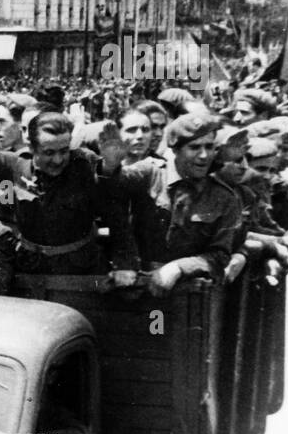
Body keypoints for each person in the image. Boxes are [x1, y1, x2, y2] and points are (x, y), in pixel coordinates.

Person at [0, 96, 126, 275]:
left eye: (64, 151)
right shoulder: (15, 165)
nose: (58, 160)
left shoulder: (83, 164)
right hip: (31, 269)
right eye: (48, 152)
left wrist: (110, 168)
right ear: (31, 148)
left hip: (79, 271)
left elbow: (115, 210)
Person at [100, 113, 243, 296]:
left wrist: (178, 268)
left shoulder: (223, 197)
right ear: (175, 150)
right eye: (194, 147)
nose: (204, 155)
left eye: (209, 147)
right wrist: (109, 166)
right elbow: (112, 186)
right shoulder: (150, 173)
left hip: (187, 292)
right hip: (133, 286)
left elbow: (220, 255)